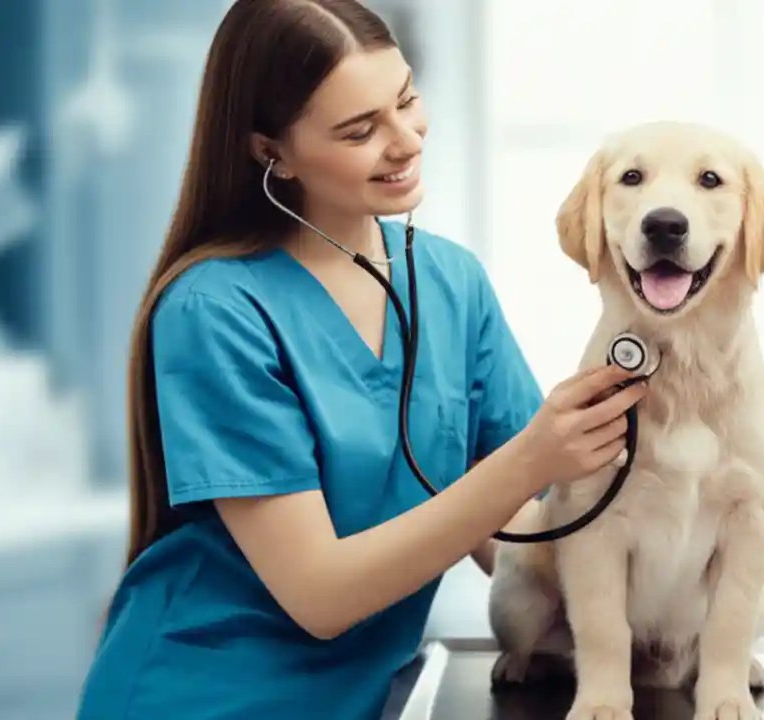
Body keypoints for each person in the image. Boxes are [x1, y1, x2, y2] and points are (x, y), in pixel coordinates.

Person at [75, 1, 647, 717]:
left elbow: (518, 534)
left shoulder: (451, 282)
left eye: (406, 99)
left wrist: (652, 594)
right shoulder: (214, 310)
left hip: (362, 700)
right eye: (360, 130)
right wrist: (534, 459)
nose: (406, 140)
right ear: (269, 151)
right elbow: (321, 595)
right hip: (201, 696)